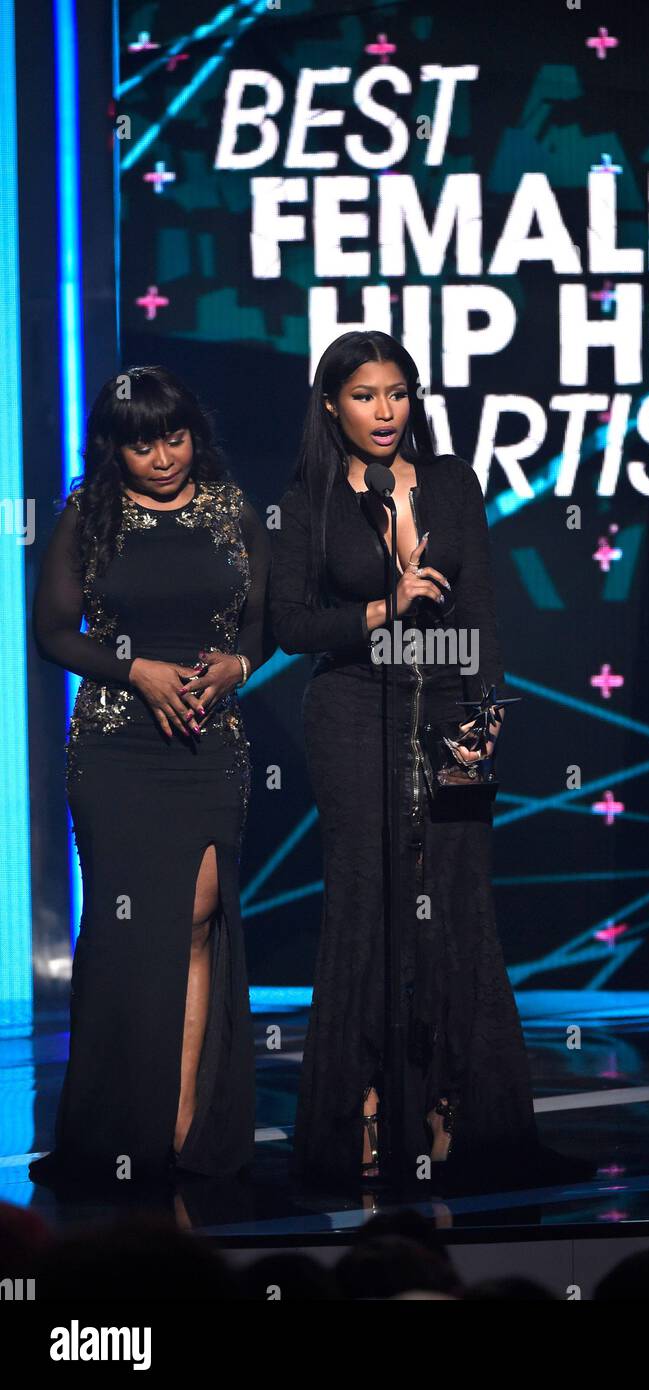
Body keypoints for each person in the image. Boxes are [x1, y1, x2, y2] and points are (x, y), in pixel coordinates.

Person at [269, 330, 541, 1192]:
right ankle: (368, 1106)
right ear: (330, 405)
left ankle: (455, 1105)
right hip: (352, 710)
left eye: (398, 392)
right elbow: (290, 628)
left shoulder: (453, 480)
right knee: (372, 904)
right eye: (364, 395)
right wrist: (382, 608)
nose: (385, 412)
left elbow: (486, 608)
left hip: (451, 708)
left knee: (455, 904)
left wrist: (486, 707)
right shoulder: (307, 499)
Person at [30, 365, 272, 1186]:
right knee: (126, 933)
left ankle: (180, 1130)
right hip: (115, 749)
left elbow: (264, 623)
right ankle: (114, 1132)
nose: (163, 458)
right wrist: (136, 672)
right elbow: (55, 633)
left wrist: (241, 662)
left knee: (200, 920)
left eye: (174, 439)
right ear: (115, 450)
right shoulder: (88, 519)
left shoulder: (231, 508)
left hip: (210, 743)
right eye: (143, 445)